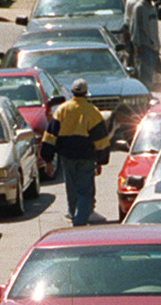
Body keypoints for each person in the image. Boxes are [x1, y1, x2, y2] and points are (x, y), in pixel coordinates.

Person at [41, 78, 111, 227]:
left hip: (67, 158)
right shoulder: (92, 112)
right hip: (86, 157)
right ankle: (79, 225)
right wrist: (100, 161)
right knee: (85, 192)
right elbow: (101, 139)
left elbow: (50, 135)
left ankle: (75, 219)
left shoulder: (62, 110)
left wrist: (48, 160)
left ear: (72, 92)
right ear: (86, 93)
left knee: (72, 191)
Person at [129, 0, 161, 88]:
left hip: (153, 45)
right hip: (143, 45)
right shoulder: (139, 7)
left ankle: (150, 88)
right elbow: (135, 27)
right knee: (144, 71)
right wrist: (137, 45)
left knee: (152, 71)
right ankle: (144, 90)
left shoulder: (152, 7)